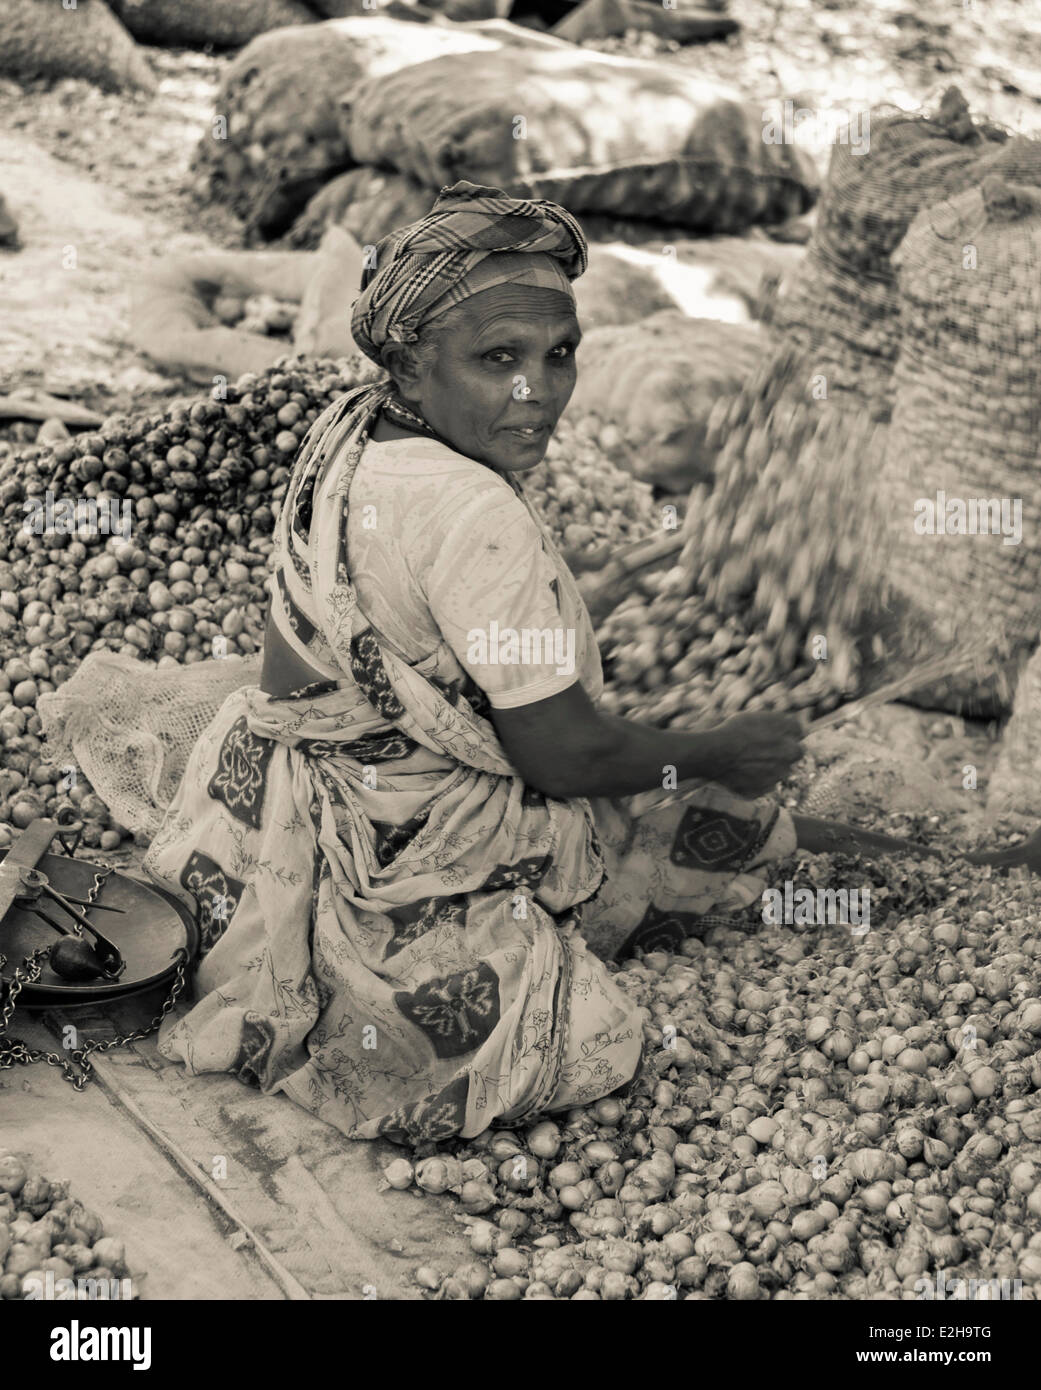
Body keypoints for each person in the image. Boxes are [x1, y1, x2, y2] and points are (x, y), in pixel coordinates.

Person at [144, 181, 1041, 1145]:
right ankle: (924, 866)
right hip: (394, 839)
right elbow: (560, 761)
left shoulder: (348, 430)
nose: (538, 391)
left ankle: (892, 861)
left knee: (697, 810)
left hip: (271, 795)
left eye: (559, 354)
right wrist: (717, 749)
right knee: (606, 1005)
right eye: (498, 359)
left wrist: (587, 595)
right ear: (408, 360)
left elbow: (393, 616)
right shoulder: (476, 511)